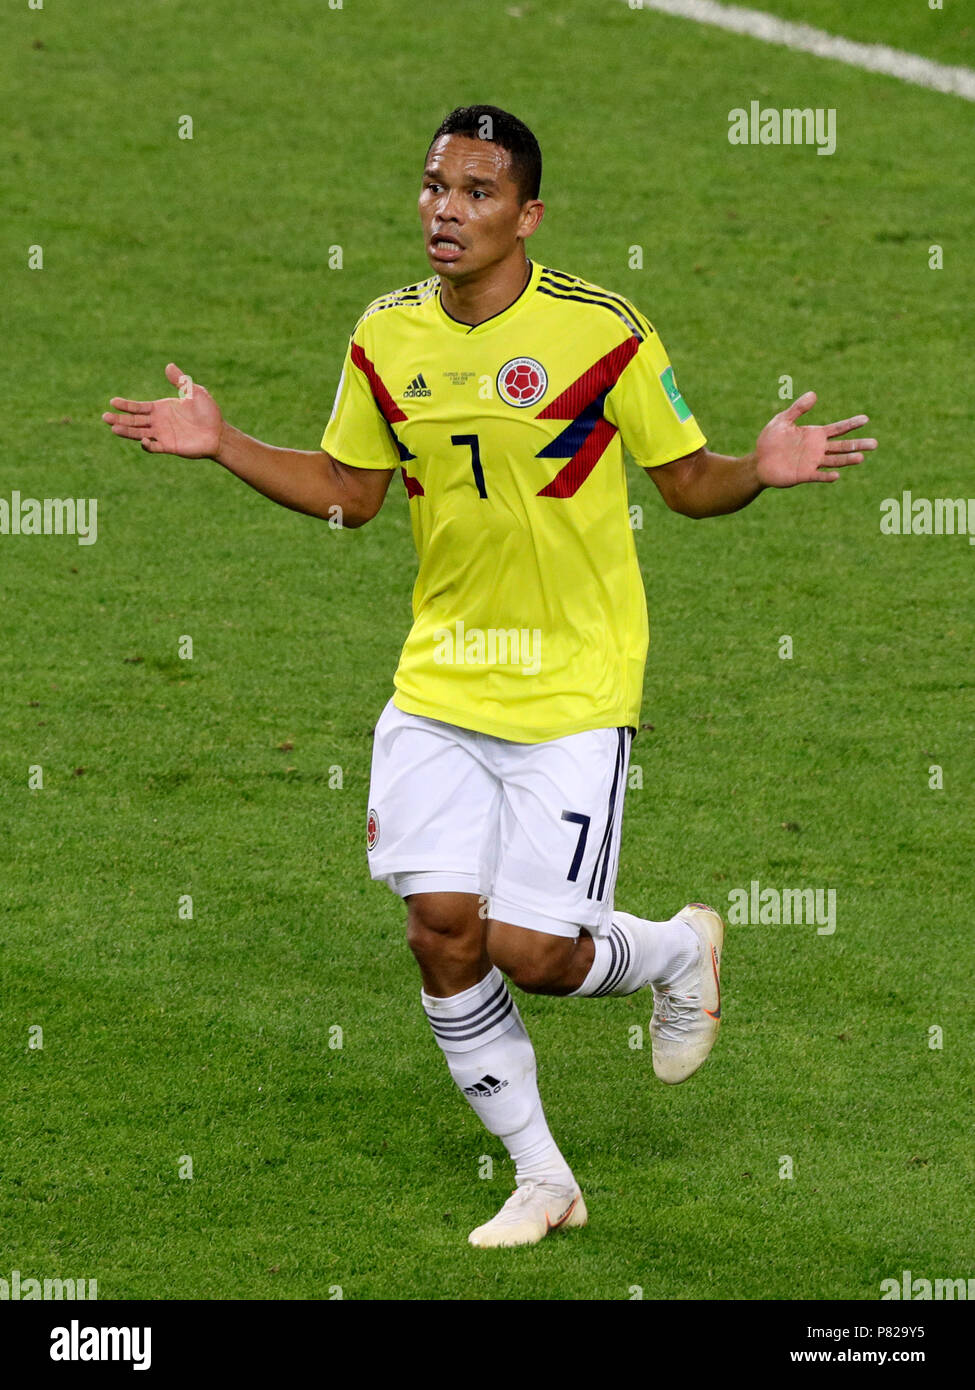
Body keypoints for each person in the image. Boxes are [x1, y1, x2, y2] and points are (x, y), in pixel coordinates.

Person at [103, 104, 876, 1248]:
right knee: (440, 930)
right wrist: (226, 444)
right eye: (431, 187)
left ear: (528, 214)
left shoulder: (602, 332)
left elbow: (684, 482)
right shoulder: (386, 337)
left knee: (536, 953)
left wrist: (754, 470)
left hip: (571, 692)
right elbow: (349, 494)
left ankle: (673, 949)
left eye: (474, 192)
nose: (443, 212)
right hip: (439, 689)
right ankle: (543, 1175)